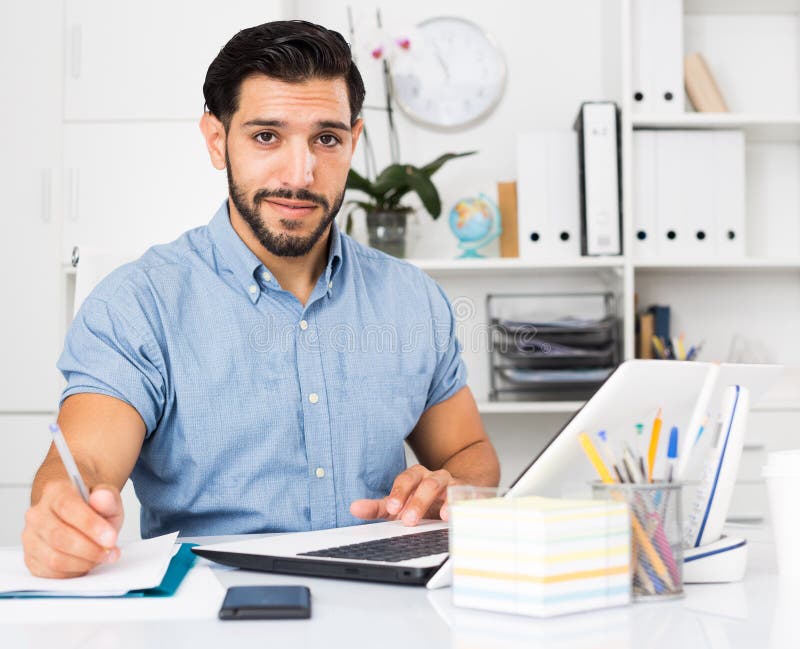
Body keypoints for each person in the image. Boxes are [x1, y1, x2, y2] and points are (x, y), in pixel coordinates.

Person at [22, 20, 499, 579]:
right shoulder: (138, 303)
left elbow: (469, 451)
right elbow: (86, 463)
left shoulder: (412, 298)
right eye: (267, 136)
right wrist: (62, 515)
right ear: (216, 140)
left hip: (388, 606)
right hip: (209, 609)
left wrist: (453, 484)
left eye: (327, 138)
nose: (300, 174)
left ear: (354, 140)